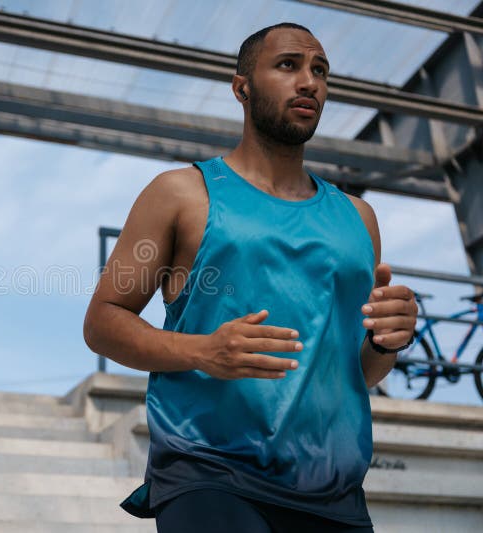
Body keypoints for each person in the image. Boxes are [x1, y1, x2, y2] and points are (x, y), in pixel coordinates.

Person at [82, 22, 418, 533]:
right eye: (288, 65)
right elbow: (103, 321)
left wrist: (387, 341)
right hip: (211, 471)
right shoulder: (179, 193)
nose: (309, 82)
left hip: (334, 491)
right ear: (242, 87)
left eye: (320, 70)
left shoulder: (359, 219)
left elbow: (355, 374)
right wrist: (202, 352)